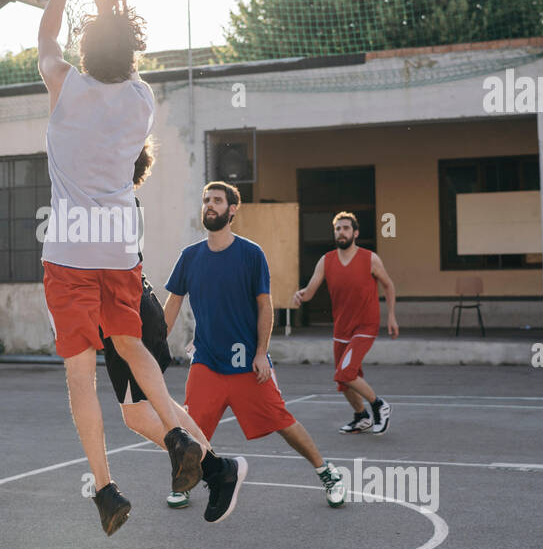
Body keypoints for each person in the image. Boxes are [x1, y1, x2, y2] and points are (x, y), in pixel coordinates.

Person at [37, 0, 236, 536]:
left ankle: (105, 489)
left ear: (83, 53)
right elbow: (116, 55)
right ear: (131, 54)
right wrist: (110, 1)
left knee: (81, 376)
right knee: (131, 347)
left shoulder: (64, 86)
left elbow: (45, 37)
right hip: (119, 248)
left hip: (72, 248)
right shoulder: (142, 101)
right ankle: (178, 437)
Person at [163, 182, 347, 516]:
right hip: (206, 360)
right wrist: (156, 343)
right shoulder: (190, 257)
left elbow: (265, 307)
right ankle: (184, 482)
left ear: (233, 210)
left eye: (217, 201)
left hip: (247, 363)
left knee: (282, 422)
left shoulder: (250, 254)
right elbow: (174, 302)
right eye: (206, 200)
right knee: (190, 429)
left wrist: (262, 352)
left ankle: (327, 472)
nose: (210, 206)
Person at [100, 141, 232, 511]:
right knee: (161, 405)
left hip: (127, 315)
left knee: (138, 414)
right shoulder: (121, 199)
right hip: (140, 307)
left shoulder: (111, 201)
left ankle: (215, 469)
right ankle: (218, 470)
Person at [291, 211, 398, 435]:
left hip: (365, 326)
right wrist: (299, 295)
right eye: (338, 229)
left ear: (355, 232)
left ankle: (379, 405)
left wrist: (391, 316)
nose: (341, 232)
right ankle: (361, 417)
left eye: (346, 228)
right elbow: (310, 291)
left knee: (345, 373)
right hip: (341, 328)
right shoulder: (326, 260)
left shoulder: (370, 258)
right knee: (344, 381)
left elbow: (388, 285)